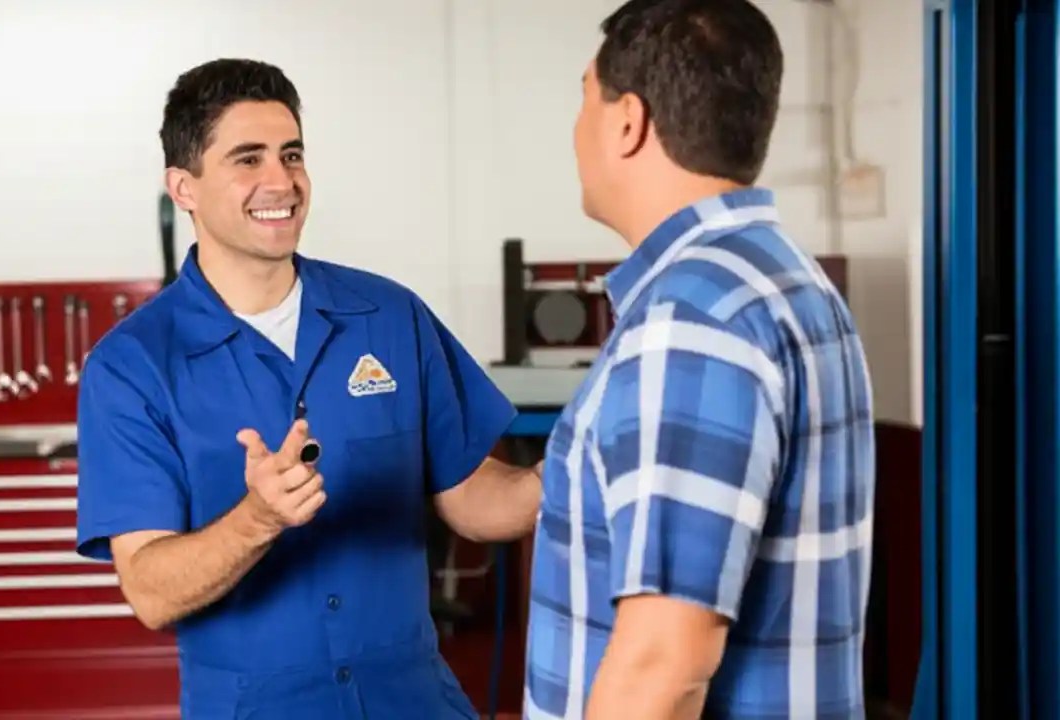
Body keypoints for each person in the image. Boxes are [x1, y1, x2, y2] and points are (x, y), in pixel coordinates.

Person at [74, 58, 541, 719]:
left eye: (291, 154)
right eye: (247, 158)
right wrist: (256, 520)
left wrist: (560, 484)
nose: (281, 181)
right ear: (184, 188)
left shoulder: (389, 316)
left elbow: (470, 497)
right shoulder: (131, 367)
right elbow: (151, 589)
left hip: (415, 702)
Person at [523, 1, 876, 719]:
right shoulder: (789, 281)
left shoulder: (690, 318)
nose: (576, 130)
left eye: (584, 98)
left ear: (629, 121)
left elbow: (665, 666)